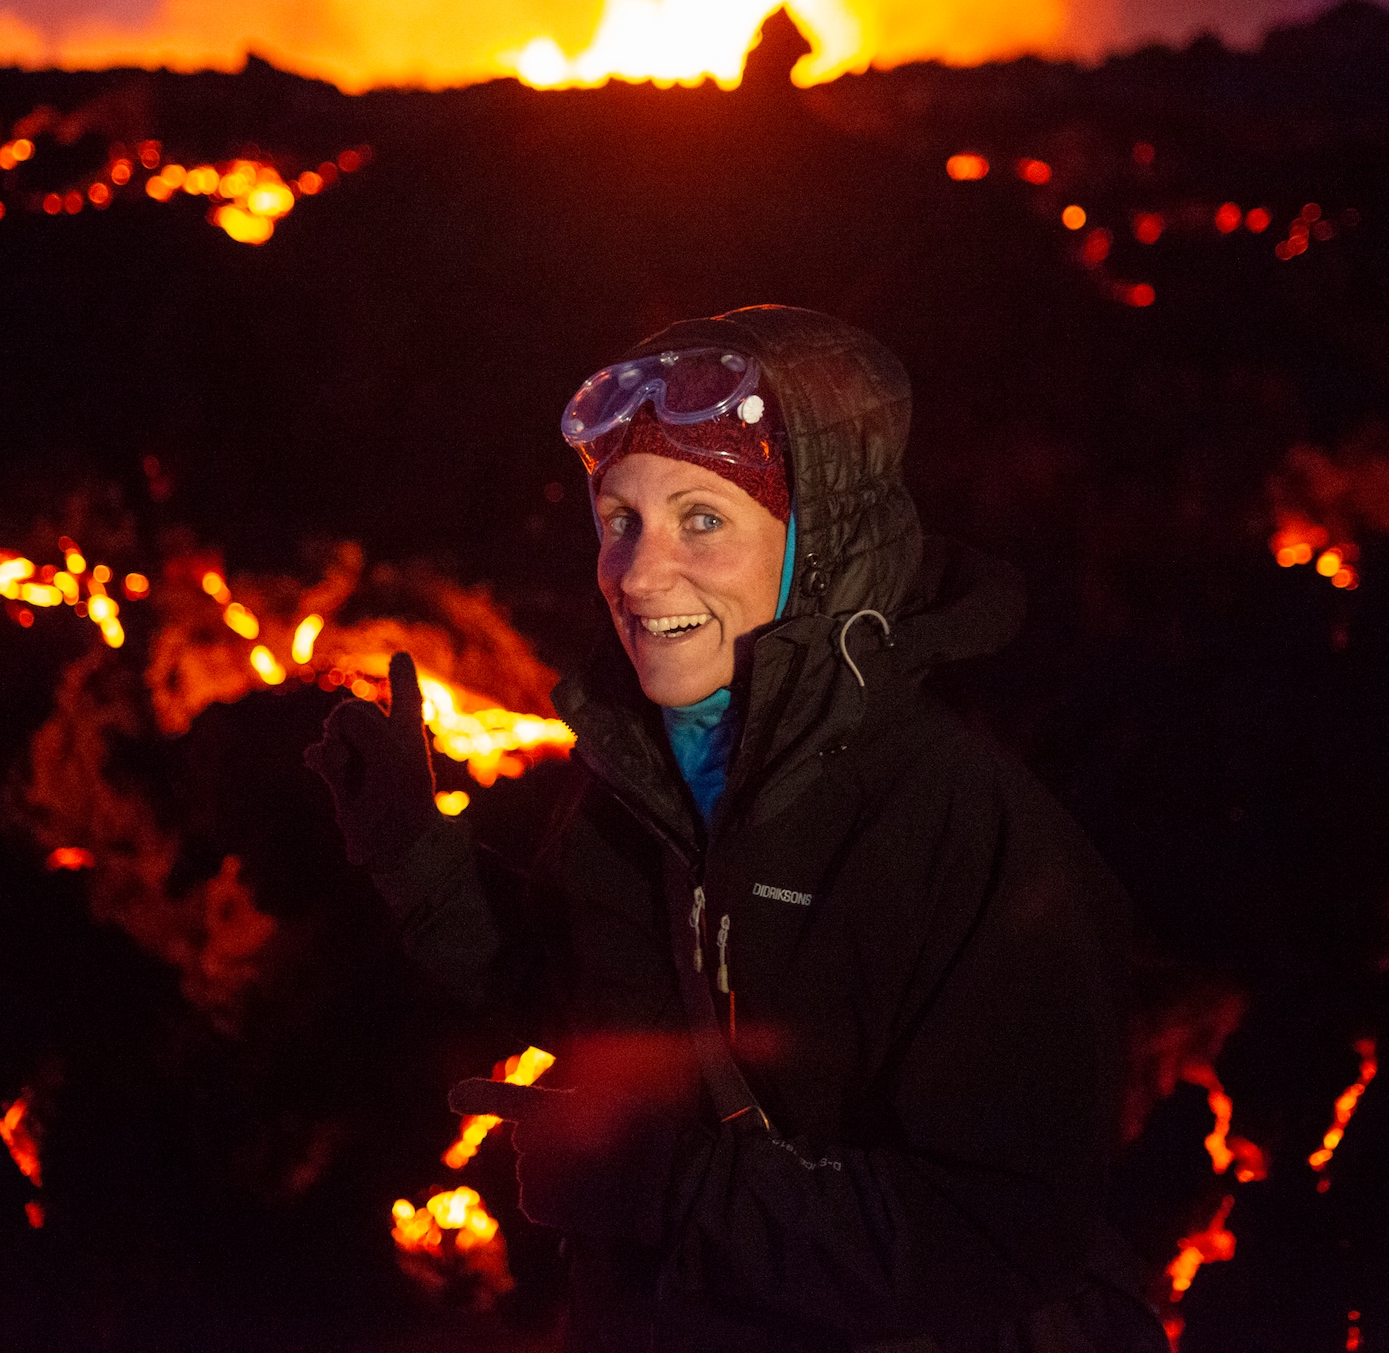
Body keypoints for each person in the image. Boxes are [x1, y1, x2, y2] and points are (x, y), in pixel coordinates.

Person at [307, 305, 1163, 1352]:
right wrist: (415, 853)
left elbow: (1001, 1229)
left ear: (820, 541)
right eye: (618, 519)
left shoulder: (960, 829)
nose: (637, 573)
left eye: (701, 518)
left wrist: (670, 1189)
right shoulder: (639, 776)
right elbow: (588, 986)